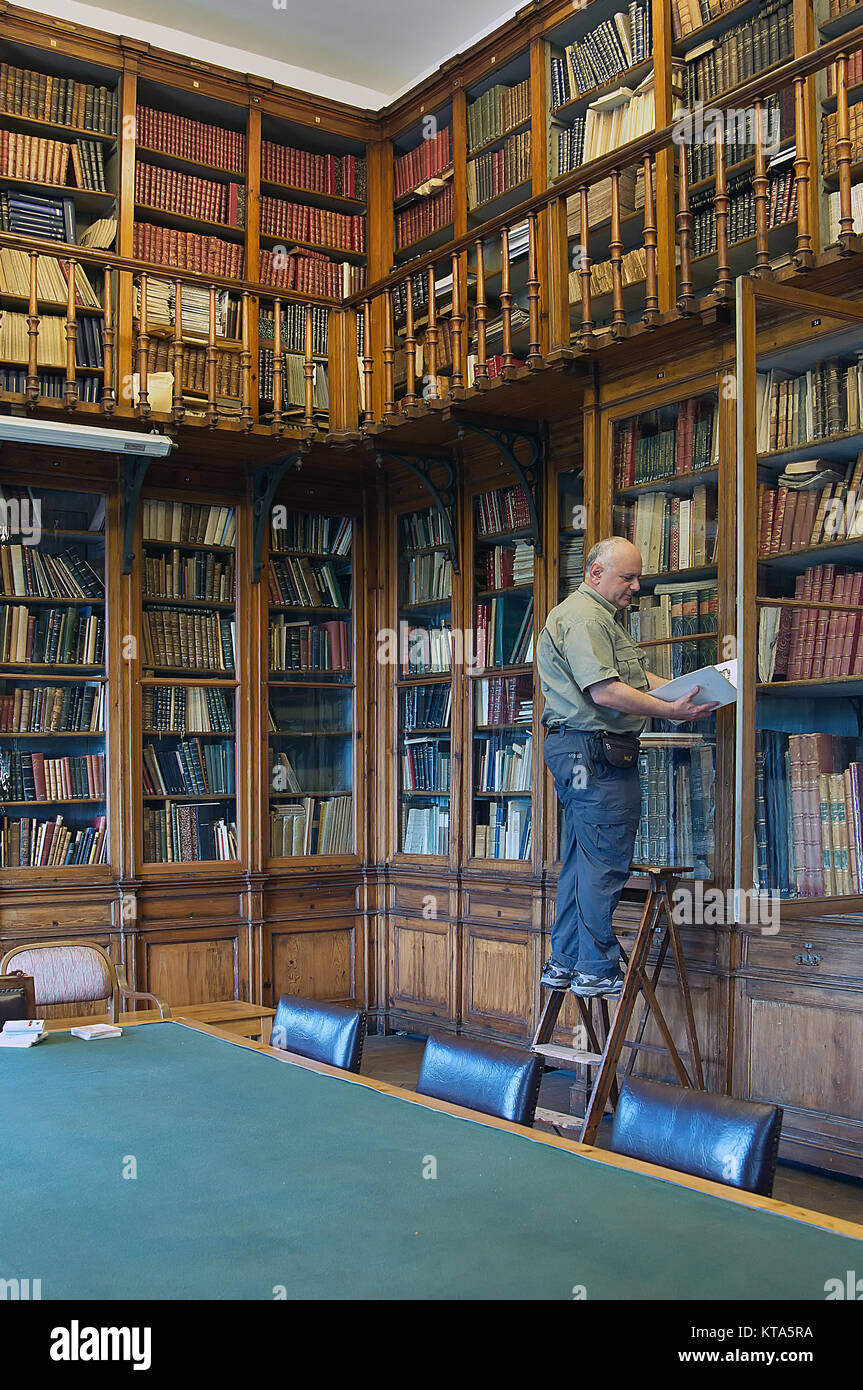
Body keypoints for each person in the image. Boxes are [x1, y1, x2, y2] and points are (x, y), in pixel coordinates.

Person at [536, 536, 718, 998]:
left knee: (583, 859)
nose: (636, 586)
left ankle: (564, 961)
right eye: (628, 577)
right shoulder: (584, 619)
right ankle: (595, 968)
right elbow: (606, 692)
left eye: (638, 577)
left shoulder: (596, 618)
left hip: (582, 752)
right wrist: (673, 712)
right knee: (604, 863)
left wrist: (687, 691)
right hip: (595, 753)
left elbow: (633, 680)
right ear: (596, 573)